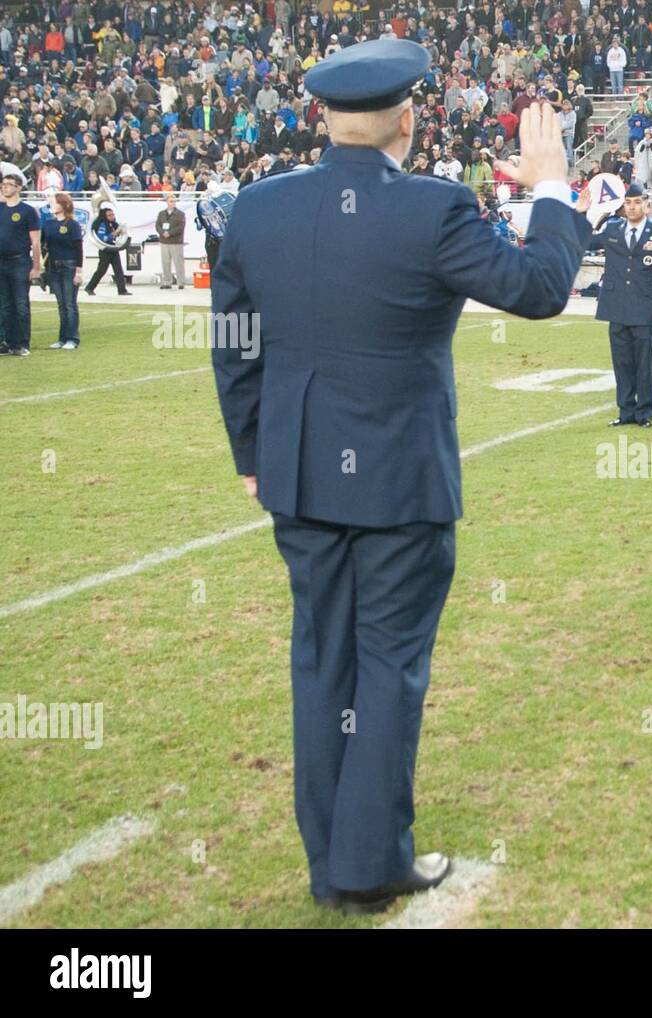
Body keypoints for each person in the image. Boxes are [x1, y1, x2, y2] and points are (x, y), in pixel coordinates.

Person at [210, 39, 591, 916]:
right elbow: (541, 288)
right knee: (387, 668)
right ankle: (368, 862)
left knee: (320, 663)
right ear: (409, 120)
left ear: (322, 118)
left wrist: (251, 451)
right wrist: (549, 184)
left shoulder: (259, 208)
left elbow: (234, 344)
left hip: (299, 474)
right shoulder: (433, 208)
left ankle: (332, 861)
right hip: (399, 480)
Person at [587, 182, 652, 427]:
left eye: (637, 202)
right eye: (628, 202)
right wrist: (580, 213)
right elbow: (584, 242)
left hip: (645, 308)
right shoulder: (612, 230)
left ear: (646, 206)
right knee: (621, 363)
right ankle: (626, 411)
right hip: (616, 306)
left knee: (643, 364)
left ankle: (644, 412)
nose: (632, 207)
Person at [0, 171, 41, 357]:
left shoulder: (27, 211)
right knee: (5, 305)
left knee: (21, 304)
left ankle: (23, 343)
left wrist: (36, 266)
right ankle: (8, 342)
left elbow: (35, 242)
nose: (4, 186)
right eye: (3, 184)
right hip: (2, 262)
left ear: (18, 188)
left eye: (9, 184)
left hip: (20, 261)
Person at [41, 192, 82, 350]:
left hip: (69, 265)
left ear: (64, 205)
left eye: (55, 202)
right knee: (61, 304)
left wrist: (79, 270)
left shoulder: (72, 225)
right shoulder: (49, 224)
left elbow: (78, 249)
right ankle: (62, 337)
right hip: (53, 266)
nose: (52, 205)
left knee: (70, 303)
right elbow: (43, 244)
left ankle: (72, 338)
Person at [84, 206, 132, 296]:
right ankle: (89, 287)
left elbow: (119, 235)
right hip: (105, 250)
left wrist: (122, 231)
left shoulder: (113, 224)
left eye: (112, 214)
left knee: (118, 270)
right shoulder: (102, 225)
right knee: (101, 271)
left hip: (113, 249)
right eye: (109, 215)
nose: (112, 216)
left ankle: (122, 290)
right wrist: (115, 232)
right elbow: (103, 238)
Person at [156, 192, 187, 289]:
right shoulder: (161, 214)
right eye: (171, 201)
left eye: (174, 201)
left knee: (178, 262)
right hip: (164, 241)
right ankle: (167, 282)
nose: (173, 203)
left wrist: (170, 233)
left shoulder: (180, 214)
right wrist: (162, 233)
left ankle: (181, 282)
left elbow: (181, 227)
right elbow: (158, 225)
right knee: (165, 262)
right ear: (167, 202)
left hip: (175, 241)